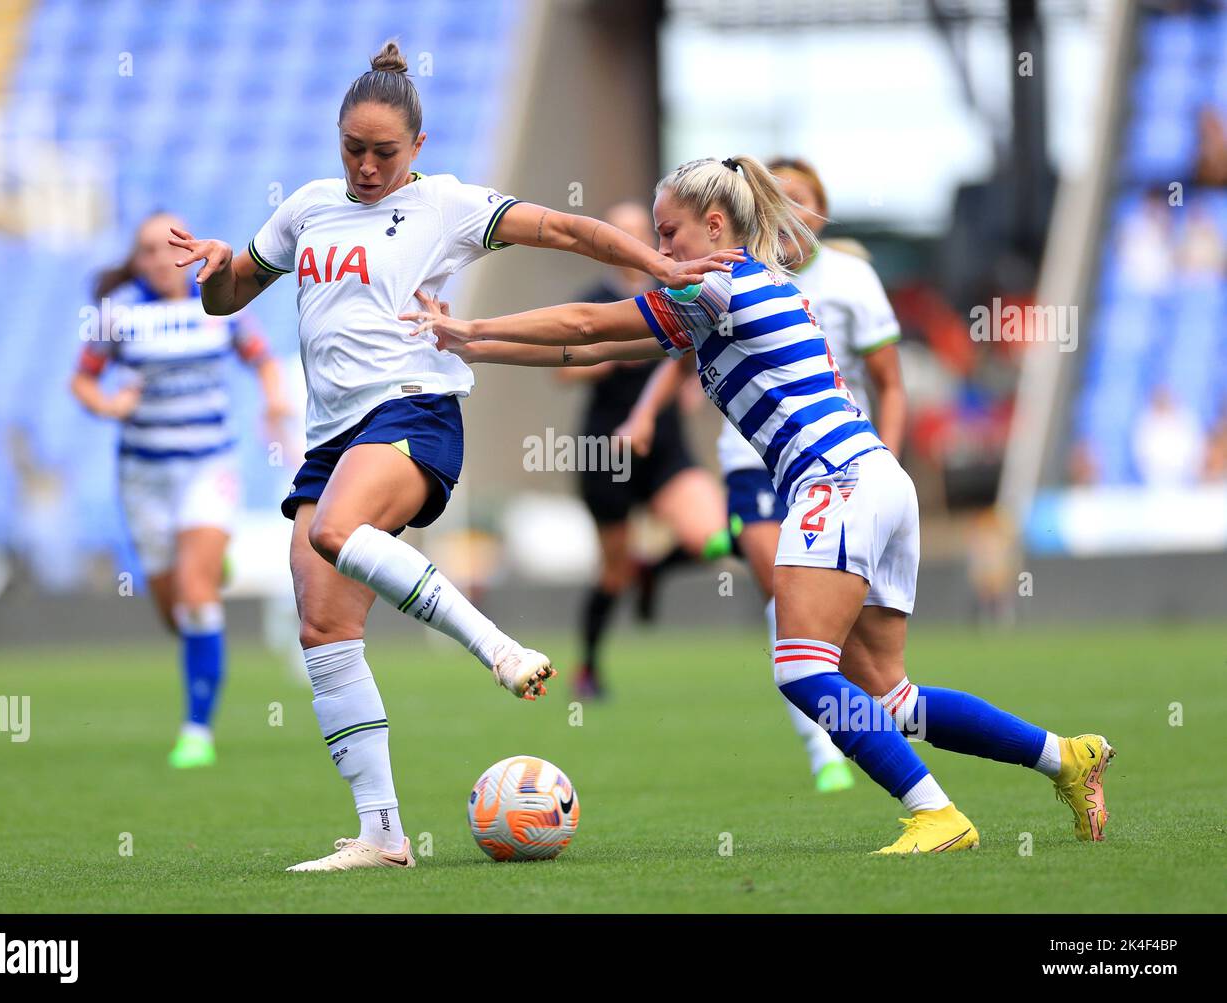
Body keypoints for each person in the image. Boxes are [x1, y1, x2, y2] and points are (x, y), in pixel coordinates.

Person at [405, 155, 1115, 853]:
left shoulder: (715, 287)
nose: (660, 251)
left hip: (834, 481)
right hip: (874, 479)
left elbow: (591, 325)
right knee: (891, 697)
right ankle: (1065, 757)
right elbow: (592, 346)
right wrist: (476, 341)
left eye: (668, 233)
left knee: (804, 670)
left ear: (715, 225)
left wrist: (473, 331)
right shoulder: (747, 283)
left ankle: (936, 814)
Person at [166, 42, 739, 871]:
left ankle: (496, 648)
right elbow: (227, 299)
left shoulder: (448, 206)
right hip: (332, 437)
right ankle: (383, 835)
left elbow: (565, 228)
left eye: (384, 153)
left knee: (334, 529)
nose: (365, 166)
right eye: (352, 148)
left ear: (419, 149)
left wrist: (655, 263)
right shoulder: (306, 209)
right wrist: (217, 270)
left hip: (412, 411)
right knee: (324, 628)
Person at [616, 158, 907, 794]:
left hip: (840, 468)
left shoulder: (829, 279)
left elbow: (889, 380)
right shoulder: (727, 283)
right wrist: (643, 412)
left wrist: (886, 462)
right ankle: (826, 747)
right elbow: (669, 348)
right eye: (782, 199)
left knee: (854, 676)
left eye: (802, 200)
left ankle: (928, 785)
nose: (791, 213)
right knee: (804, 625)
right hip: (759, 460)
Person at [72, 210, 290, 769]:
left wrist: (274, 401)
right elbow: (82, 380)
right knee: (176, 613)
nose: (157, 259)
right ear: (136, 259)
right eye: (145, 250)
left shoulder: (217, 302)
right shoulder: (115, 317)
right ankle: (210, 570)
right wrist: (107, 404)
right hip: (144, 477)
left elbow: (262, 361)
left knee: (196, 598)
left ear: (185, 251)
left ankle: (197, 730)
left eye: (167, 247)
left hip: (207, 468)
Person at [560, 201, 730, 698]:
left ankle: (651, 571)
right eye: (623, 234)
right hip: (604, 447)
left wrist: (694, 383)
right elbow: (564, 369)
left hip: (664, 440)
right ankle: (588, 667)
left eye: (645, 233)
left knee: (713, 539)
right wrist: (615, 351)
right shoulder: (594, 302)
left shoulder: (674, 292)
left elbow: (698, 351)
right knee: (611, 567)